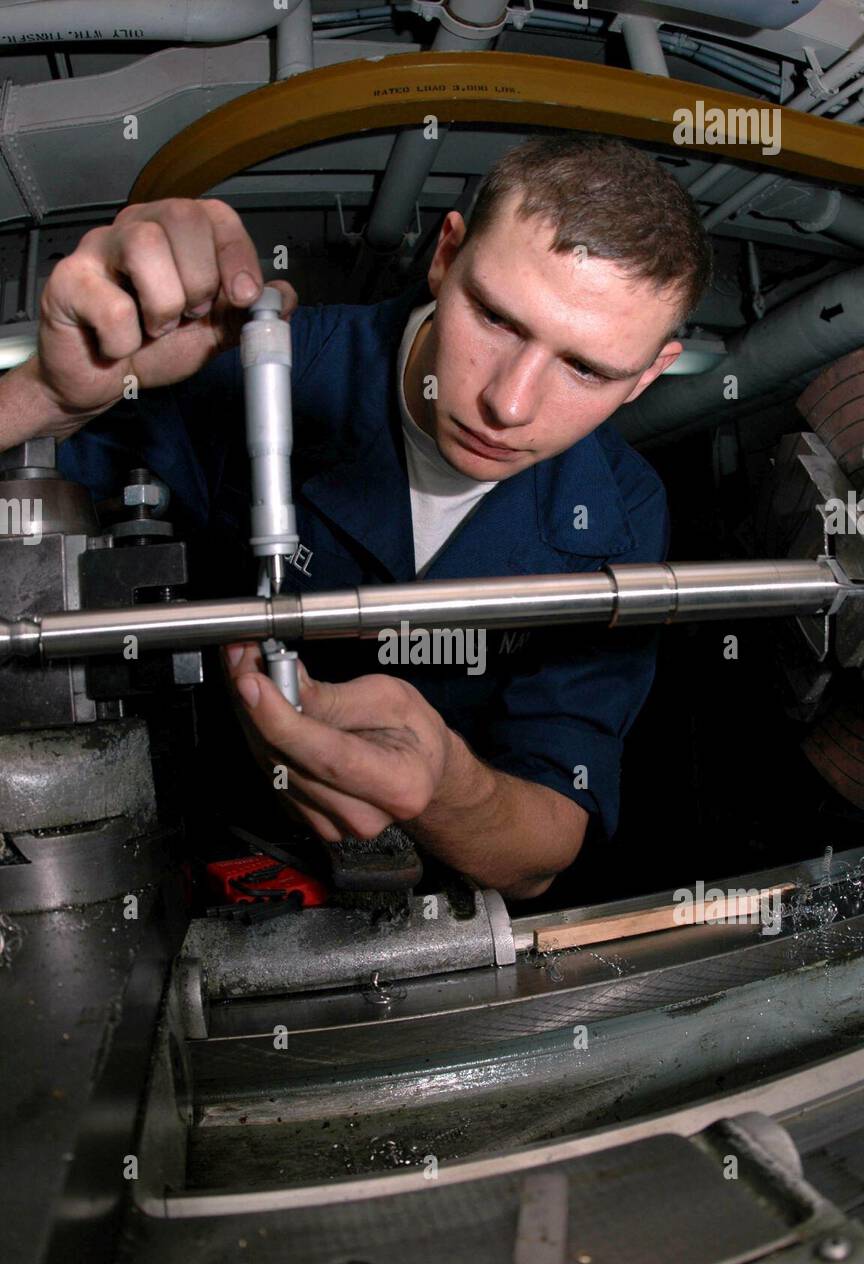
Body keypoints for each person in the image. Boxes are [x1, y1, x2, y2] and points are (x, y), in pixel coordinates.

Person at [0, 133, 712, 899]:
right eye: (497, 319)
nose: (508, 403)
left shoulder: (623, 506)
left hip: (435, 902)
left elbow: (545, 843)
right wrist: (45, 395)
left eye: (585, 368)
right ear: (445, 257)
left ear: (649, 375)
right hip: (193, 843)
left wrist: (444, 790)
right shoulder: (259, 363)